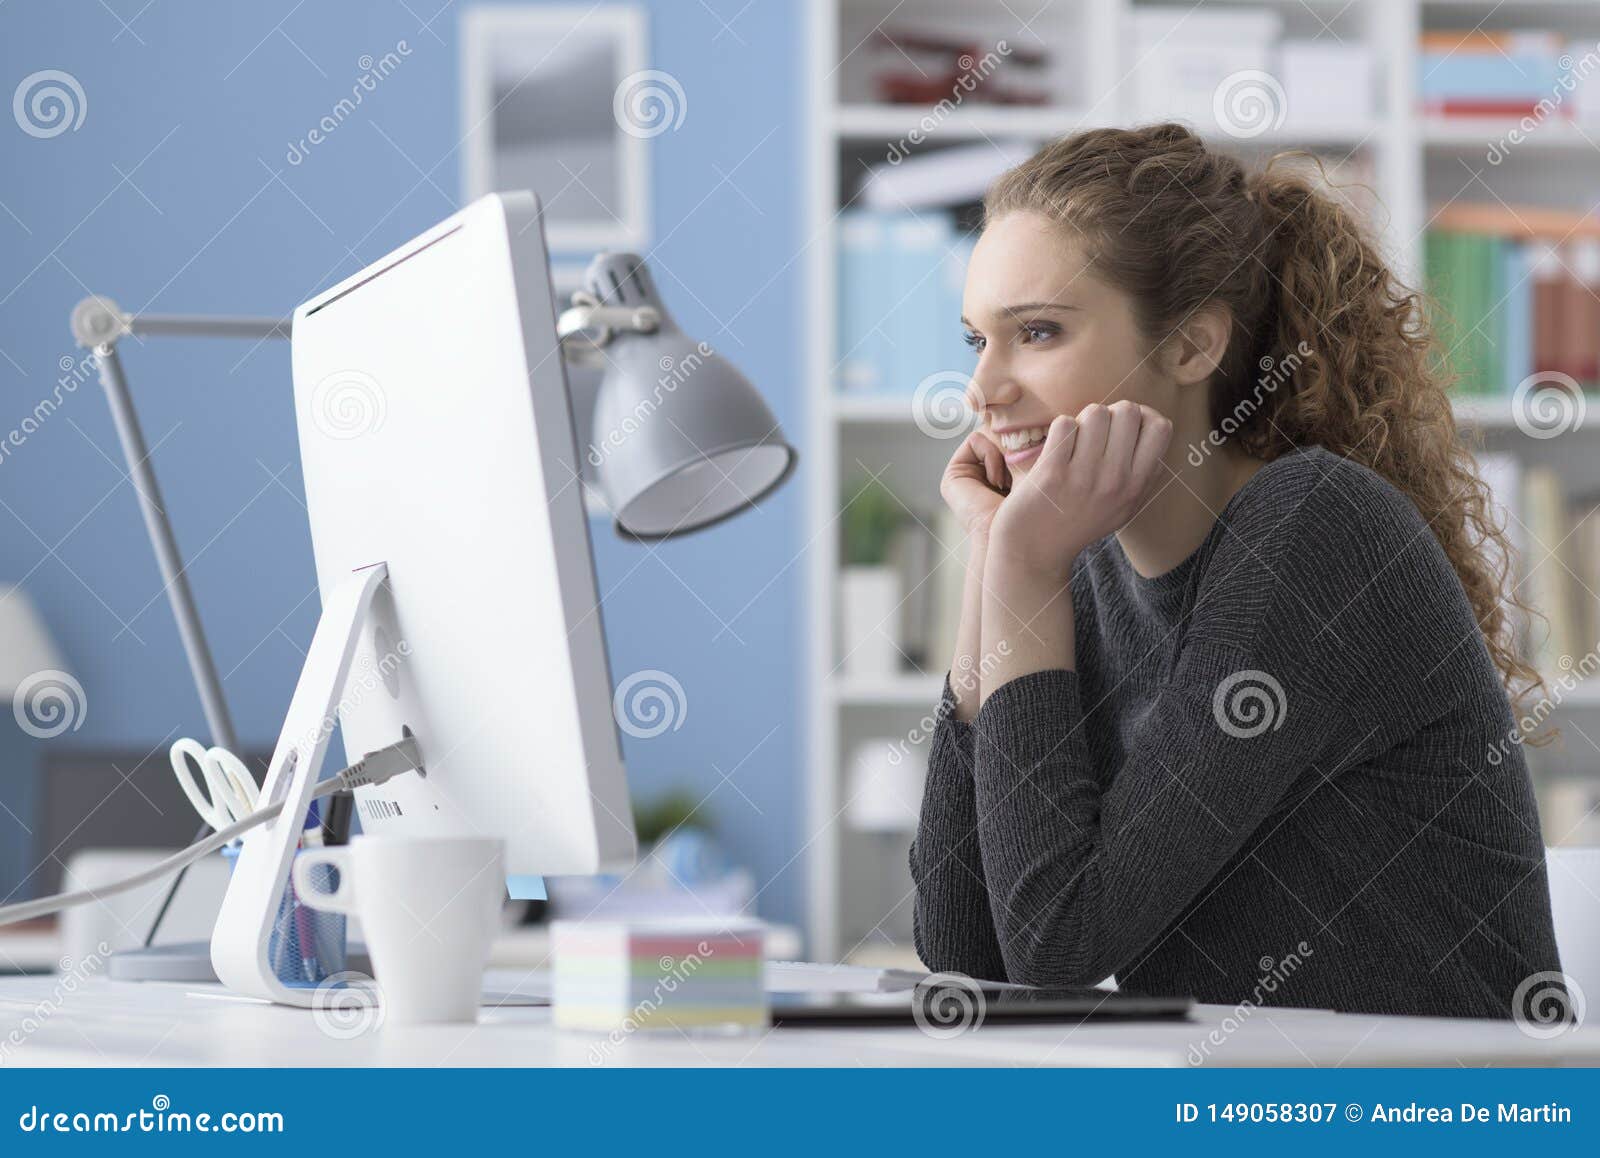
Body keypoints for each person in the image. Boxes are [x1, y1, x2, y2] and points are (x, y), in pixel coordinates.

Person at [909, 122, 1565, 1019]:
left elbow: (1060, 948)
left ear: (1190, 346)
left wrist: (1020, 567)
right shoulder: (1079, 565)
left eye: (1037, 332)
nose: (985, 387)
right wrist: (996, 559)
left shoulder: (1314, 531)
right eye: (975, 340)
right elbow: (968, 957)